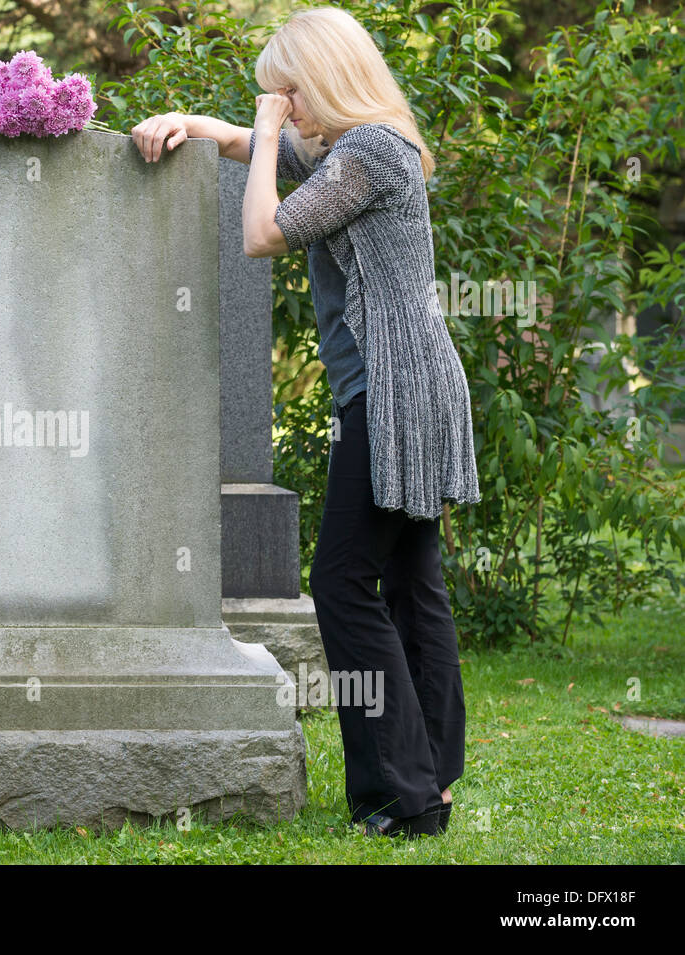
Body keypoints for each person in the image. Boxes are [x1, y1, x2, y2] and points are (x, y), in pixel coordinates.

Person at [130, 5, 481, 839]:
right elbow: (262, 152)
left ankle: (404, 795)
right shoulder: (366, 146)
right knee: (409, 583)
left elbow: (260, 232)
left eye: (285, 91)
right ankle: (428, 778)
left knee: (340, 581)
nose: (279, 107)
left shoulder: (366, 153)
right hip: (413, 386)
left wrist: (260, 119)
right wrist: (195, 124)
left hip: (393, 395)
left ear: (316, 80)